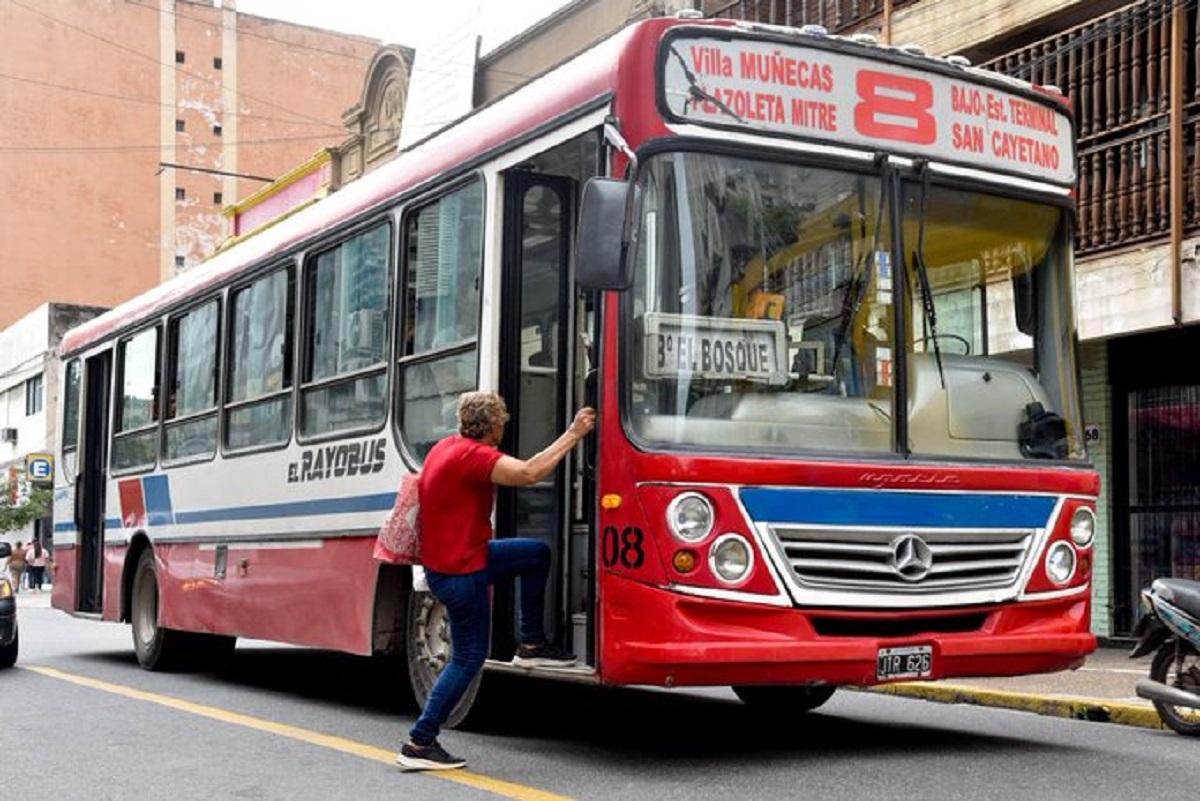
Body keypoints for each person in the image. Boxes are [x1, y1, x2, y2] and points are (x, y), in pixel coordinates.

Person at [395, 391, 596, 772]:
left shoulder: (445, 447)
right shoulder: (474, 456)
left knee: (535, 554)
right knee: (467, 659)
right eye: (503, 419)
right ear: (491, 425)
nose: (506, 425)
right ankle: (420, 741)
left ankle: (532, 642)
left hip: (458, 561)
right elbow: (529, 473)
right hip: (461, 572)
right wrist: (573, 434)